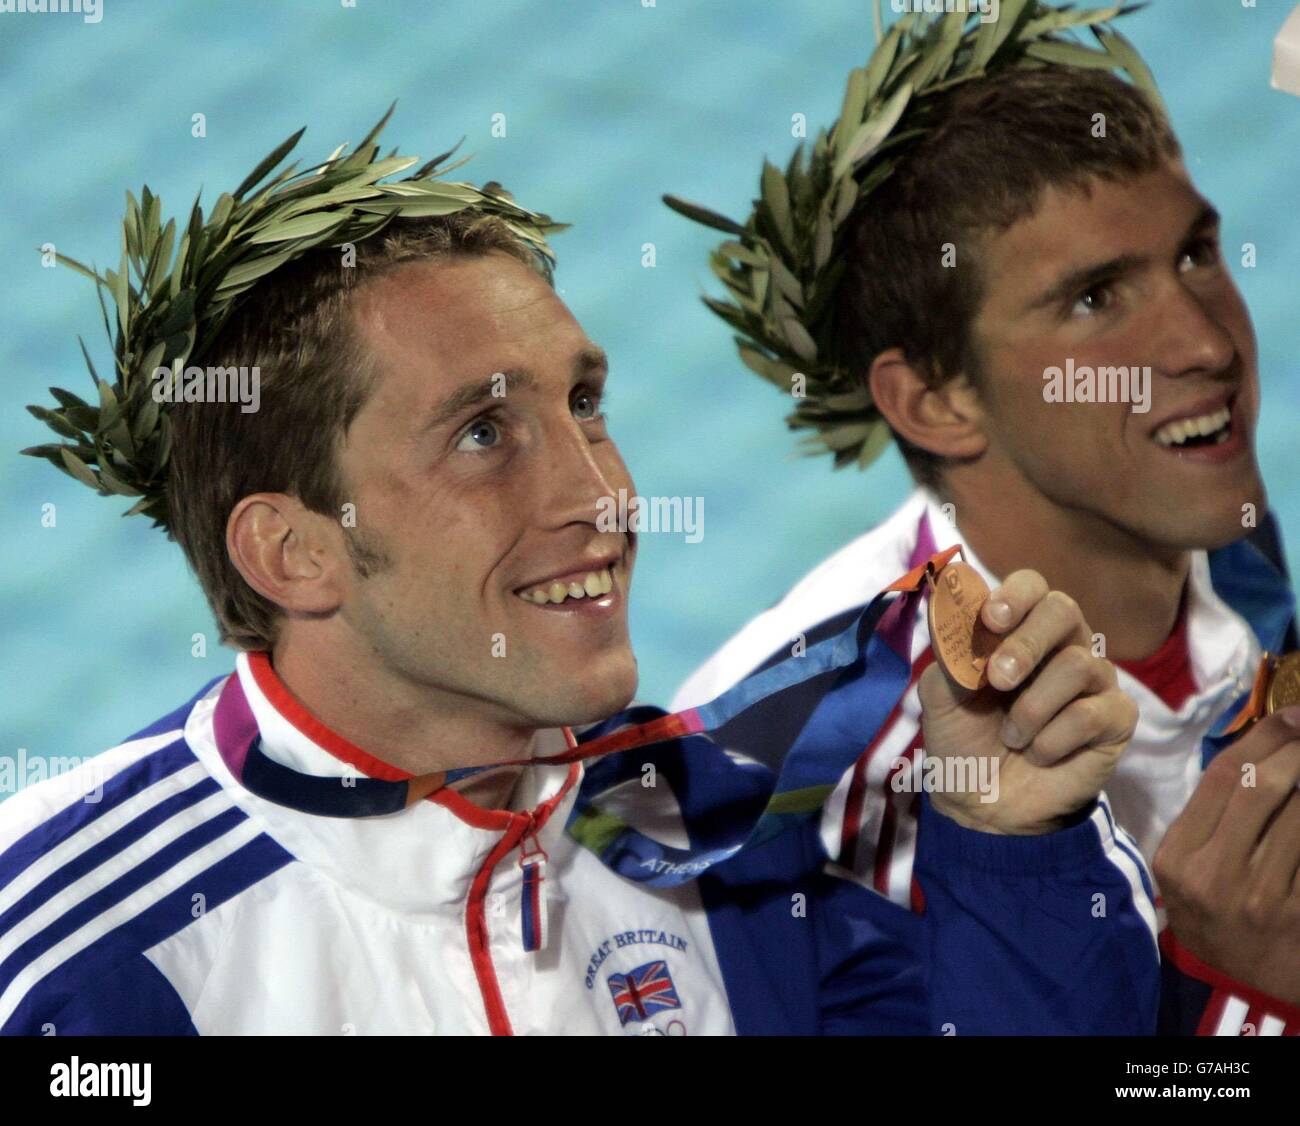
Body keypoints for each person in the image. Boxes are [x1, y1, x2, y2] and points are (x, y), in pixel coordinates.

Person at [2, 109, 1157, 1036]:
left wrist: (1013, 845)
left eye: (585, 404)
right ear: (294, 550)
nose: (601, 495)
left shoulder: (720, 836)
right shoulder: (78, 952)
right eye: (482, 435)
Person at [667, 5, 1299, 1034]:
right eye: (1095, 299)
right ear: (934, 401)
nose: (1204, 344)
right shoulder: (773, 777)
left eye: (1193, 256)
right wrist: (1244, 989)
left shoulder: (1230, 547)